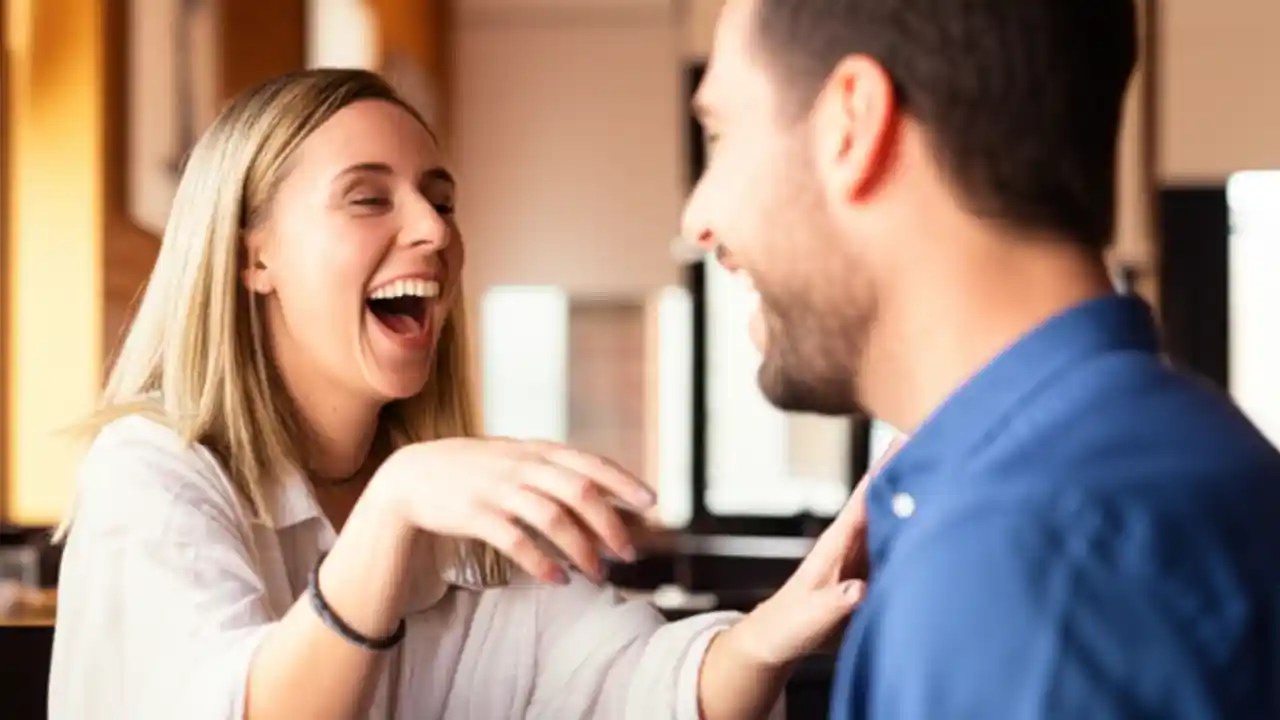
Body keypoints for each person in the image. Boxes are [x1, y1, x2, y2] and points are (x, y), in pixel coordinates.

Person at [48, 69, 868, 720]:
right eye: (368, 198)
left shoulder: (449, 515)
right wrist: (391, 507)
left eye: (441, 201)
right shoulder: (151, 473)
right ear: (251, 258)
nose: (435, 231)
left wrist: (771, 634)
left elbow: (633, 686)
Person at [683, 0, 1280, 718]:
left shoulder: (1007, 571)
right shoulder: (1180, 452)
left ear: (852, 123)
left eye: (721, 135)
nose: (698, 219)